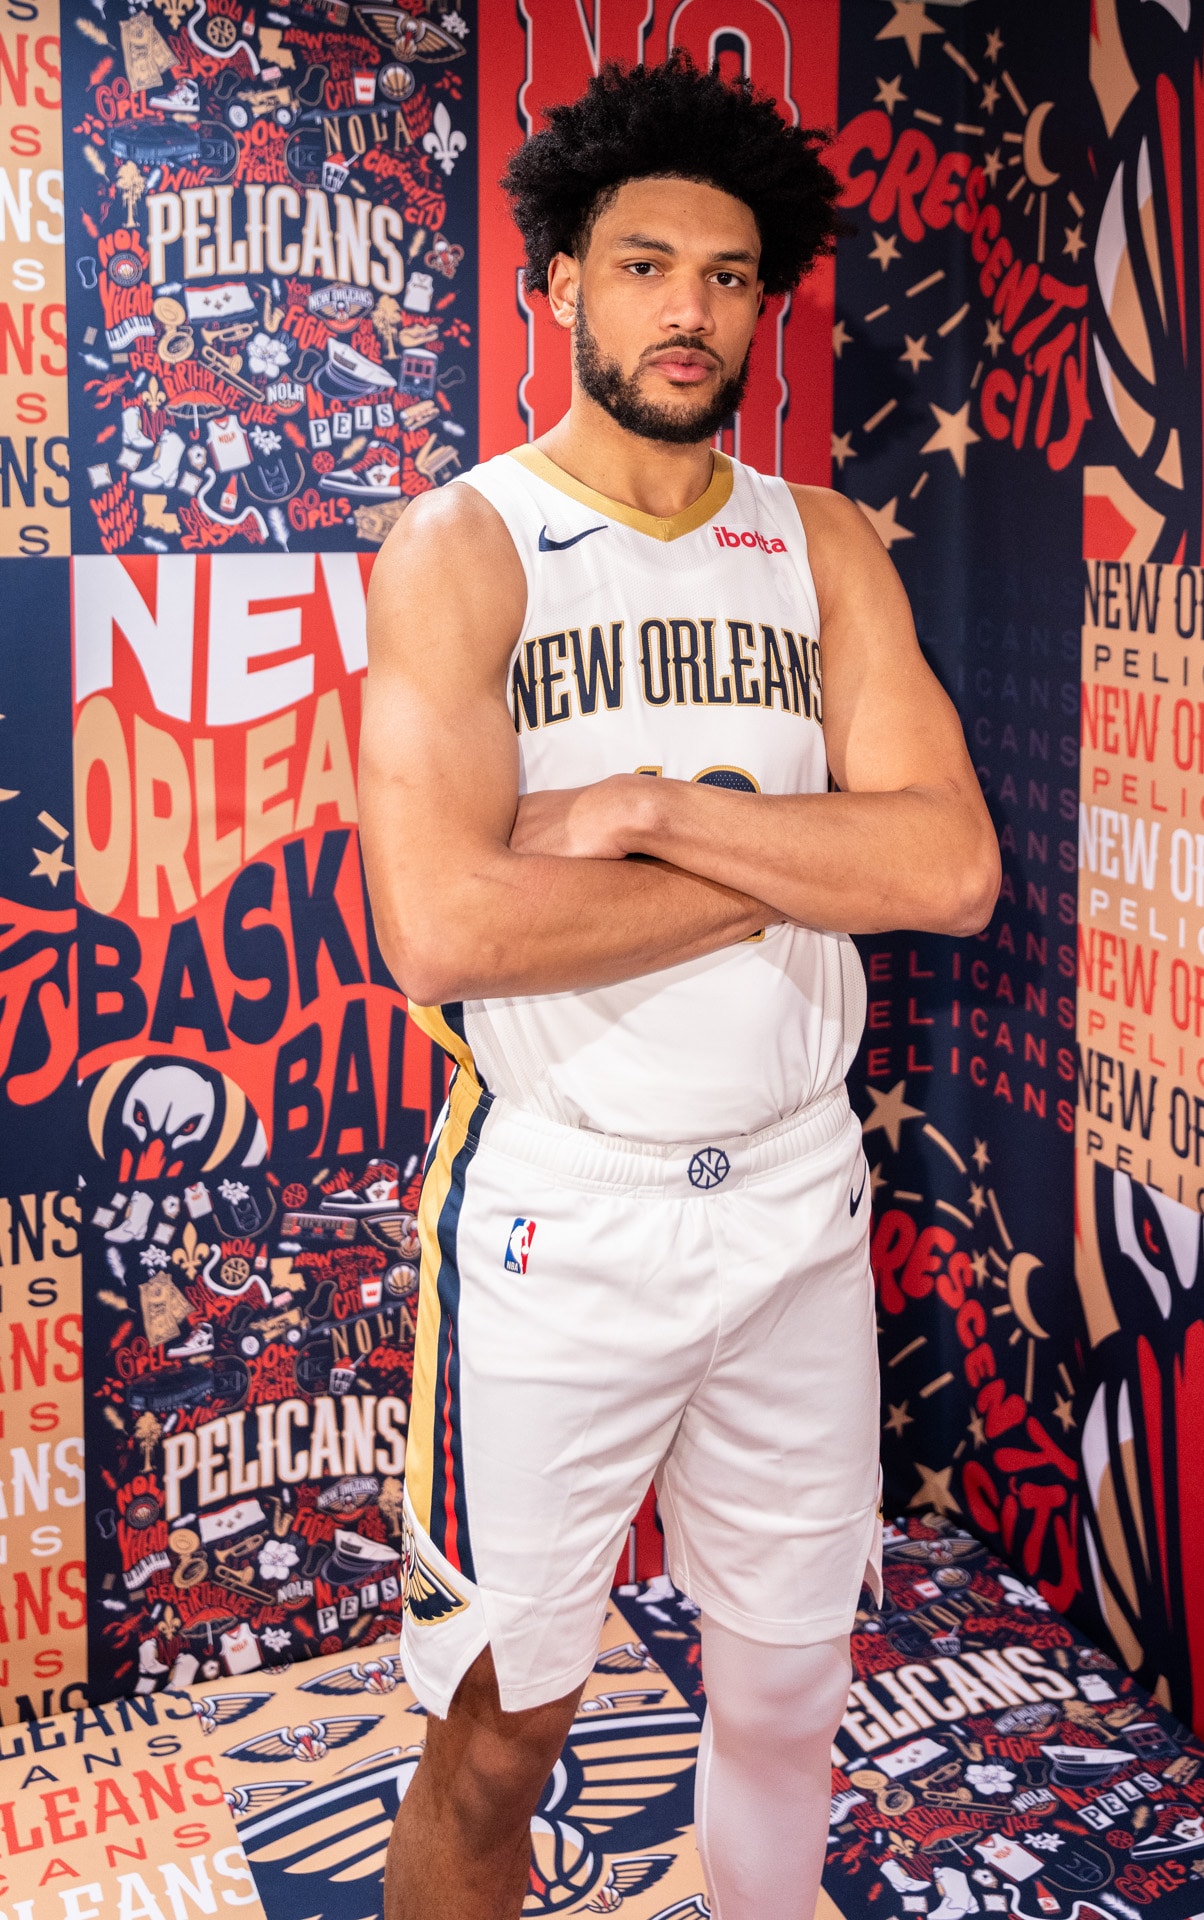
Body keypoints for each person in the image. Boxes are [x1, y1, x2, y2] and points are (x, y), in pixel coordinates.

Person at [360, 52, 999, 1920]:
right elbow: (449, 929)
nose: (689, 312)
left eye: (727, 277)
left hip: (797, 1193)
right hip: (566, 1212)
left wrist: (645, 811)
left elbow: (947, 871)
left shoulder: (820, 542)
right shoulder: (466, 545)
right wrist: (801, 864)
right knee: (500, 1730)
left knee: (793, 1679)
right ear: (559, 280)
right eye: (643, 266)